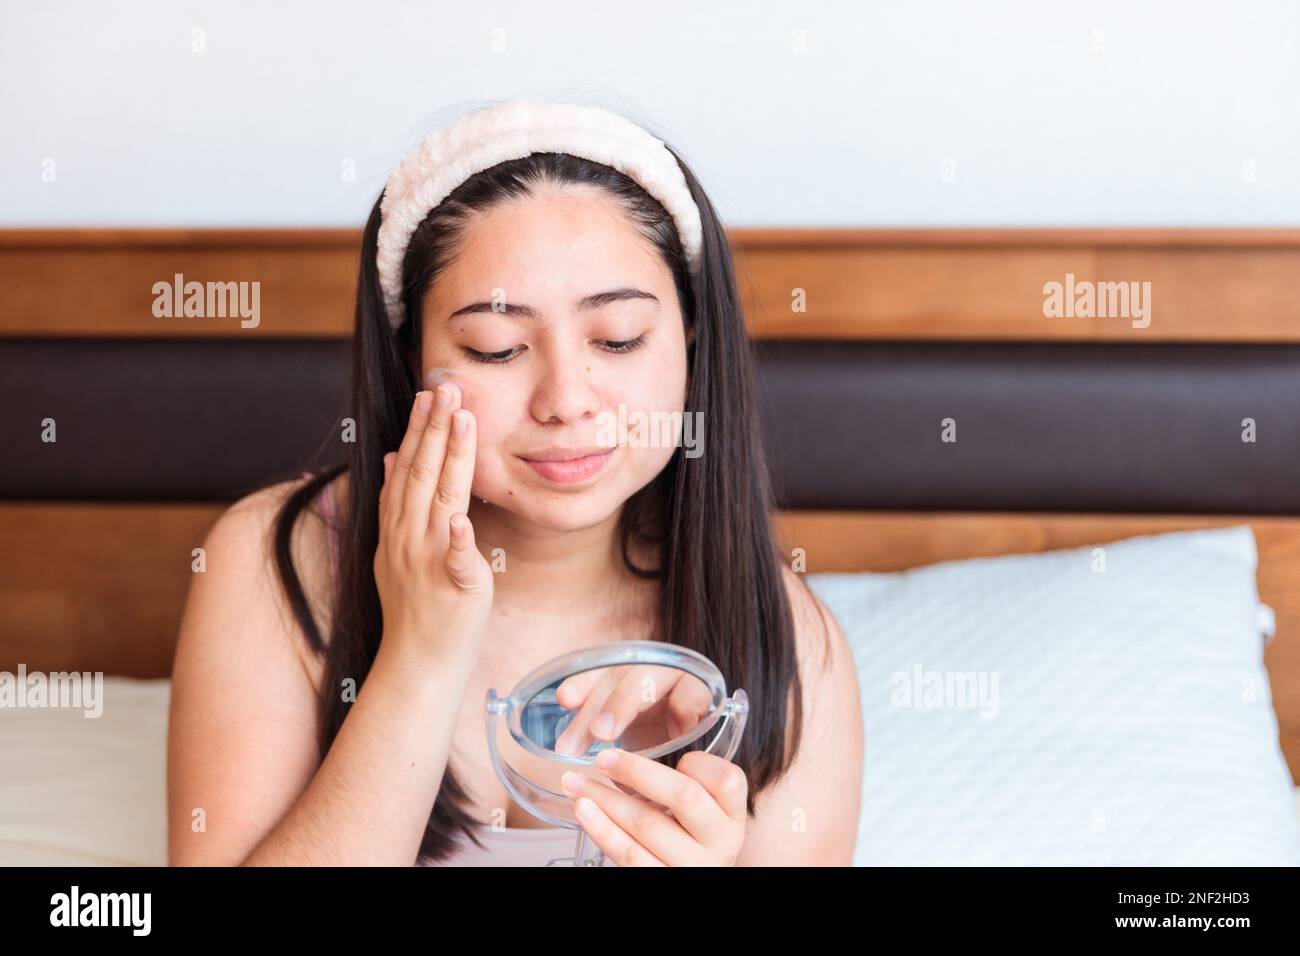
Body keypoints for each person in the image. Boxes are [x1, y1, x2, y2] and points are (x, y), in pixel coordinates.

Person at [167, 99, 864, 866]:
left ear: (692, 340)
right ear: (412, 360)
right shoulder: (278, 560)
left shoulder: (786, 639)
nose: (566, 401)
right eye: (496, 348)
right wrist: (419, 656)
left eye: (619, 338)